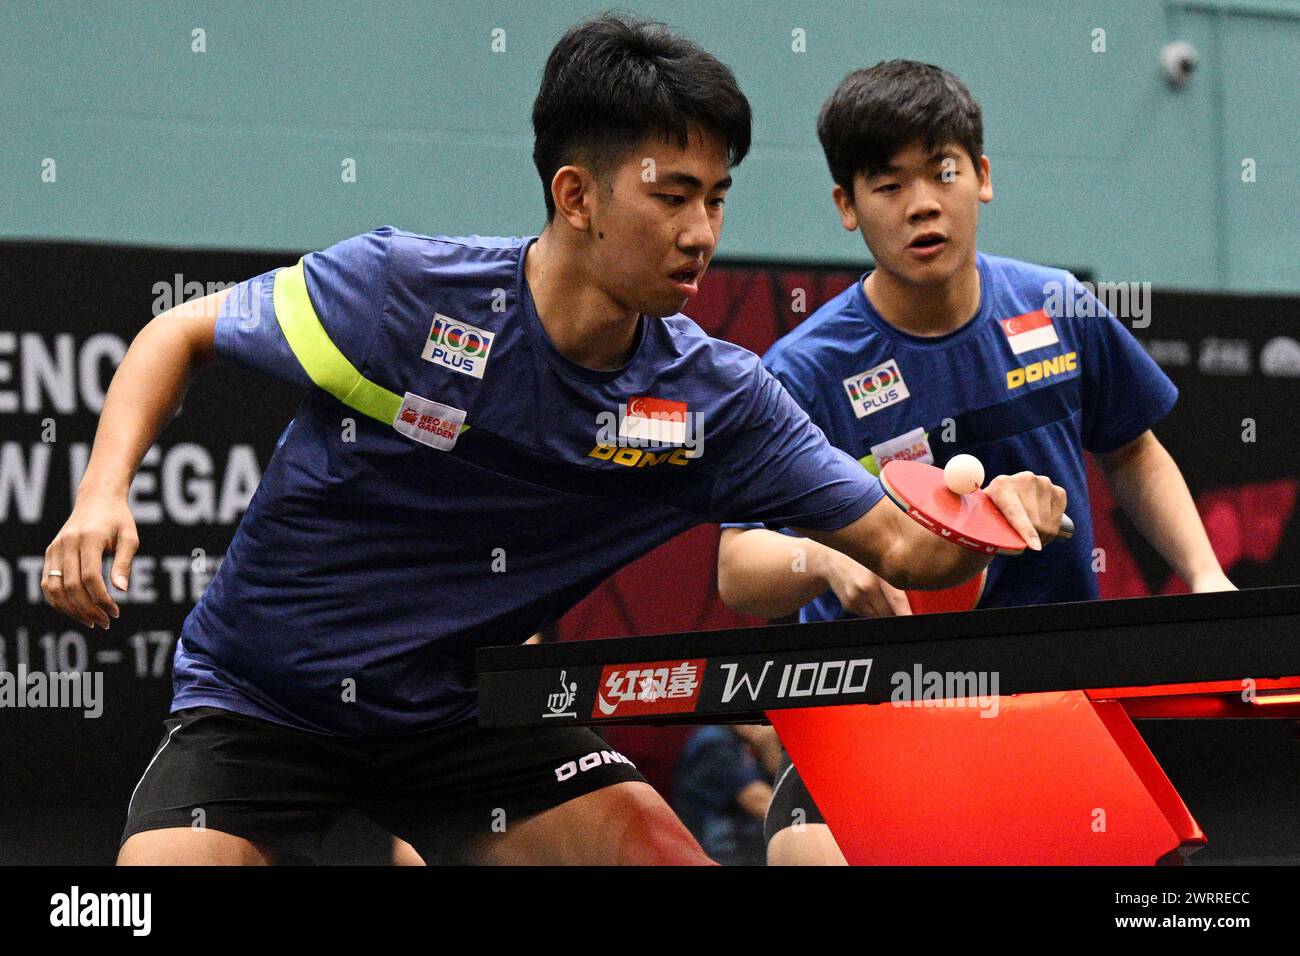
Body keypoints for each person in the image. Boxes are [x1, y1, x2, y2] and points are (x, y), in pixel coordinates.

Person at [42, 21, 1065, 866]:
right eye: (672, 196)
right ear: (576, 196)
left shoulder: (713, 399)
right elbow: (179, 331)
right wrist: (100, 494)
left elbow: (902, 547)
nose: (701, 232)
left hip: (468, 720)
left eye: (716, 199)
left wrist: (988, 516)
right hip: (265, 706)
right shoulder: (405, 291)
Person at [716, 60, 1236, 866]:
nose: (922, 203)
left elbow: (1134, 450)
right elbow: (736, 567)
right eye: (888, 185)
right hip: (876, 703)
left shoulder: (1058, 308)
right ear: (847, 206)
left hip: (1052, 694)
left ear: (982, 177)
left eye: (944, 172)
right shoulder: (805, 370)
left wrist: (1203, 574)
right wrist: (823, 557)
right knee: (808, 855)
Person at [672, 724, 780, 866]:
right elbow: (766, 805)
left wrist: (771, 749)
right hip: (715, 851)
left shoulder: (748, 743)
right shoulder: (713, 742)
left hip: (744, 848)